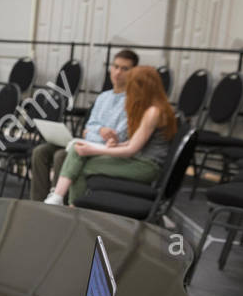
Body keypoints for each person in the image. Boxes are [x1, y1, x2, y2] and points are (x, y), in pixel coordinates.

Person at [43, 65, 176, 206]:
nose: (129, 91)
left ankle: (73, 207)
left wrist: (93, 150)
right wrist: (117, 145)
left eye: (131, 86)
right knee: (78, 150)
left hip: (146, 167)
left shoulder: (153, 112)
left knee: (82, 167)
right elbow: (135, 142)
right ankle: (61, 200)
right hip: (140, 161)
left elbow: (132, 150)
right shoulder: (155, 108)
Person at [31, 49, 138, 200]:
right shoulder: (103, 97)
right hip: (86, 142)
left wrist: (96, 132)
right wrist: (100, 130)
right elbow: (89, 127)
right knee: (40, 151)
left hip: (102, 149)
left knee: (61, 155)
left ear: (133, 72)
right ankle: (38, 202)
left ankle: (58, 204)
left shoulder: (133, 102)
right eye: (115, 66)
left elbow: (118, 136)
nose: (118, 72)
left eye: (124, 68)